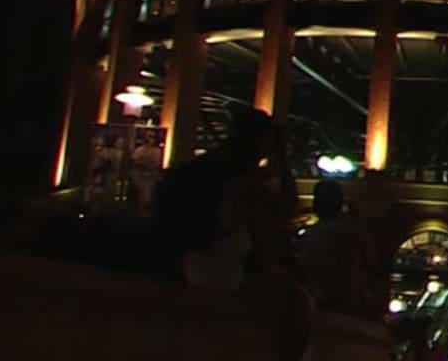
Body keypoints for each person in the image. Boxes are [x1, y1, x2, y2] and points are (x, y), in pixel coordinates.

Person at [152, 107, 312, 361]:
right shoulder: (242, 182)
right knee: (298, 304)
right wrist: (282, 161)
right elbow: (287, 206)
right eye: (264, 147)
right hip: (219, 268)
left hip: (193, 260)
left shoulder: (200, 171)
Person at [299, 179, 379, 316]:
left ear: (316, 204)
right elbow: (373, 263)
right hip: (348, 304)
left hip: (321, 304)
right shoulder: (355, 232)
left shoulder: (312, 235)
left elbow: (304, 268)